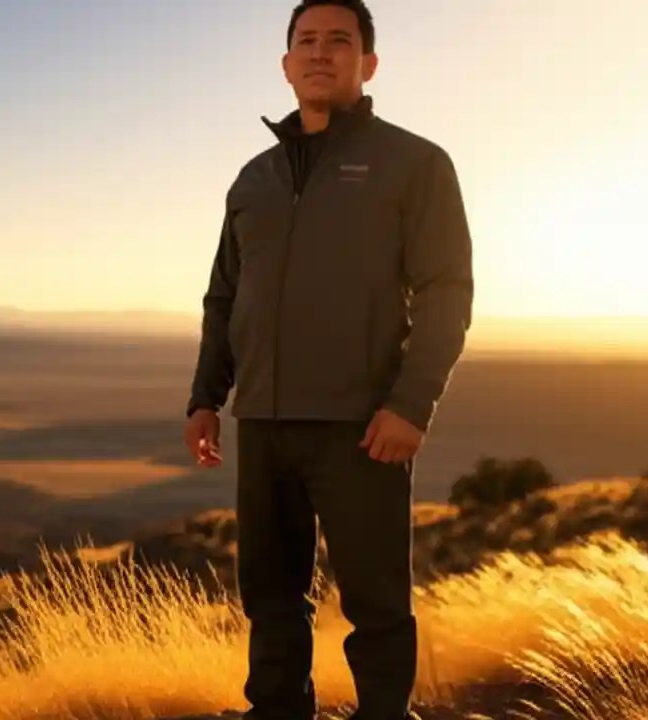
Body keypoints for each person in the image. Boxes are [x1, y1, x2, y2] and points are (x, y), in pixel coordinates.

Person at [181, 1, 474, 718]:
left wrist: (411, 404)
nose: (320, 52)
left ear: (367, 64)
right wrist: (205, 397)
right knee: (271, 591)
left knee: (375, 598)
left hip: (362, 425)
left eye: (338, 41)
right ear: (285, 66)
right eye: (305, 41)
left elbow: (446, 291)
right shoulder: (253, 179)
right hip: (265, 418)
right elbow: (224, 296)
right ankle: (276, 708)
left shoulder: (415, 164)